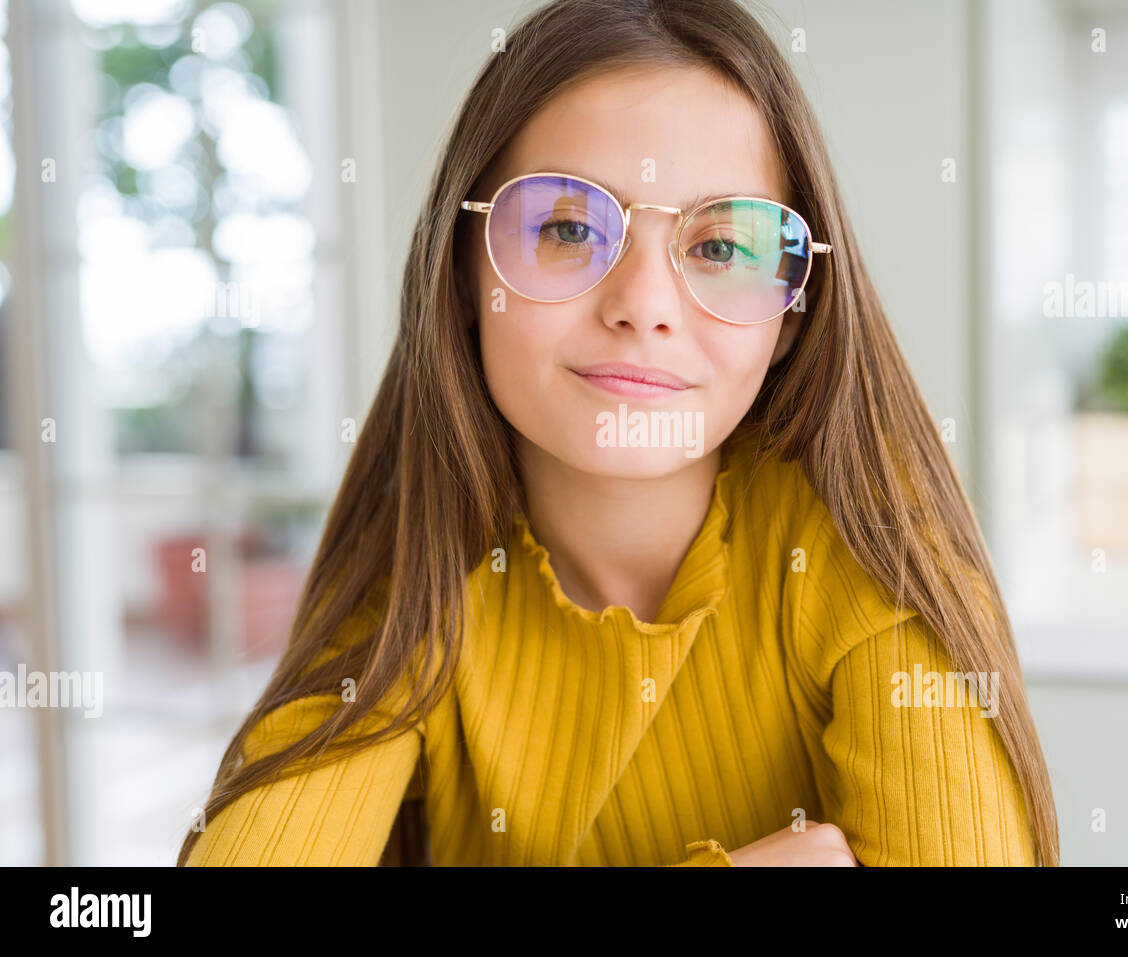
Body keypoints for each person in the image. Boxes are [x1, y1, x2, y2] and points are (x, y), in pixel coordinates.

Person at [178, 0, 1058, 867]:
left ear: (792, 312)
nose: (641, 304)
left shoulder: (872, 545)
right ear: (461, 273)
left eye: (721, 247)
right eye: (567, 228)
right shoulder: (416, 574)